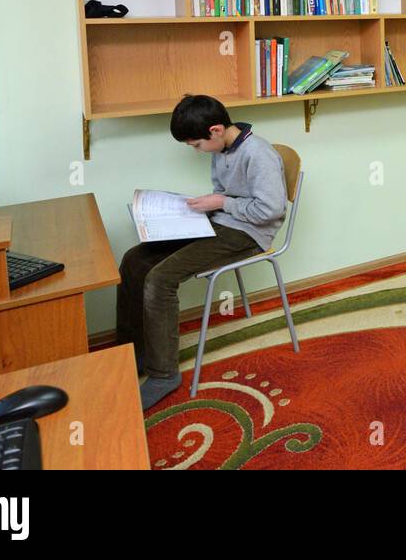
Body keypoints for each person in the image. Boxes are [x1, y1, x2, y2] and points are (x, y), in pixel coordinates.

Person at [116, 94, 287, 409]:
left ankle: (163, 373)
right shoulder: (221, 148)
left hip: (248, 233)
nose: (196, 151)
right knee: (134, 259)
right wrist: (202, 208)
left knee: (161, 278)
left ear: (217, 130)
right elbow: (225, 194)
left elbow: (271, 210)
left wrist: (221, 203)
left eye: (196, 145)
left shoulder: (258, 154)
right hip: (221, 221)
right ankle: (134, 352)